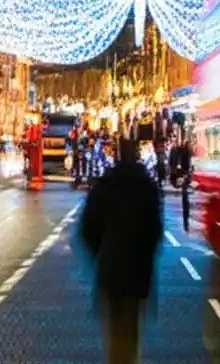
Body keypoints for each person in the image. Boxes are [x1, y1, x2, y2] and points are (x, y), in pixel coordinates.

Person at [80, 136, 163, 364]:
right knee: (132, 328)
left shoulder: (105, 186)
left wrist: (103, 252)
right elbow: (154, 231)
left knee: (115, 333)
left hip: (111, 269)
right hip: (138, 271)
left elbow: (88, 229)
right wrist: (144, 254)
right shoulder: (147, 188)